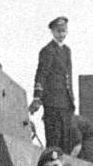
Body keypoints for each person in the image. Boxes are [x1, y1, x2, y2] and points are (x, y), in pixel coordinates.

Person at [30, 16, 74, 151]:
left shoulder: (67, 51)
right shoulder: (48, 50)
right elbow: (41, 74)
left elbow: (68, 77)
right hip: (52, 102)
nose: (62, 34)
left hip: (65, 102)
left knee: (65, 140)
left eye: (64, 31)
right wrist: (37, 98)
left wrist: (71, 99)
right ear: (53, 32)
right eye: (59, 31)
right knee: (54, 139)